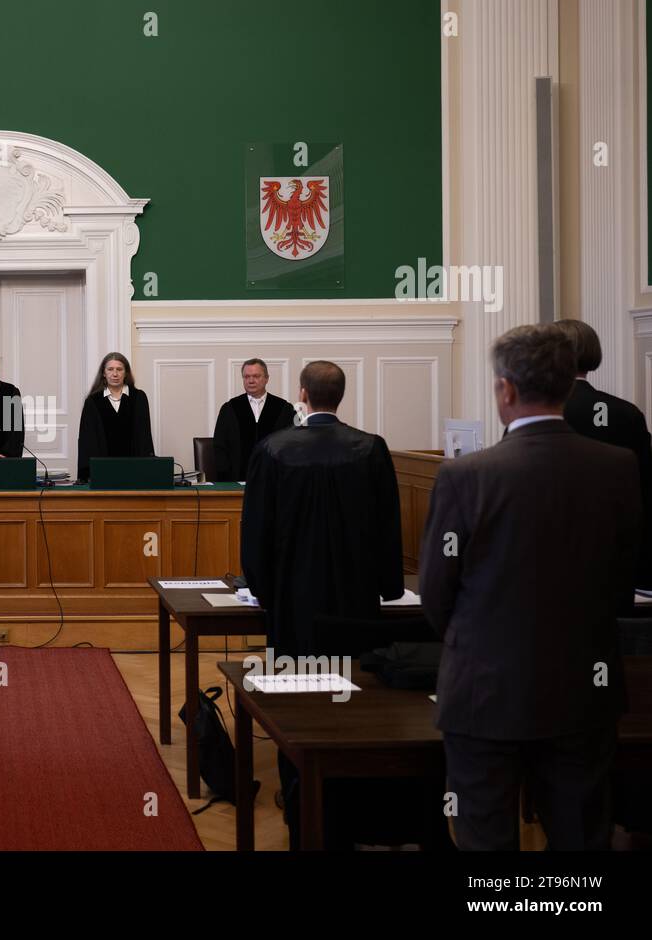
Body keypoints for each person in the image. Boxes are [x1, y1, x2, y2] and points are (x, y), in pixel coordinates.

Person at [421, 323, 639, 851]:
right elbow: (624, 577)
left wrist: (476, 640)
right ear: (567, 386)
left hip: (484, 691)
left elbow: (435, 592)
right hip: (583, 688)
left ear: (507, 389)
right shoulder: (617, 466)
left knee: (486, 844)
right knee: (581, 842)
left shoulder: (466, 475)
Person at [242, 361, 419, 850]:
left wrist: (260, 589)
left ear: (301, 394)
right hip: (354, 601)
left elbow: (255, 531)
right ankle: (355, 793)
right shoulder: (370, 448)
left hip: (292, 602)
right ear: (339, 396)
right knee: (355, 696)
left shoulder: (274, 449)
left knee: (292, 698)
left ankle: (297, 791)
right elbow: (389, 526)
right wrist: (387, 587)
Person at [554, 318, 652, 589]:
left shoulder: (535, 414)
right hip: (620, 555)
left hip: (556, 555)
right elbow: (645, 488)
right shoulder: (628, 413)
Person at [212, 357, 296, 481]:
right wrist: (227, 479)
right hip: (237, 480)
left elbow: (293, 445)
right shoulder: (230, 409)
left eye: (256, 376)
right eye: (246, 377)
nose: (251, 380)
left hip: (276, 480)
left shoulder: (284, 409)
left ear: (266, 378)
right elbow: (220, 446)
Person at [76, 352, 155, 480]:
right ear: (103, 373)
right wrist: (87, 477)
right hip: (103, 473)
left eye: (119, 369)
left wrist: (146, 471)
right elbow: (87, 442)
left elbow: (144, 438)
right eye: (110, 369)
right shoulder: (92, 401)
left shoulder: (139, 397)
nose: (115, 374)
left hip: (134, 471)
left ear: (126, 372)